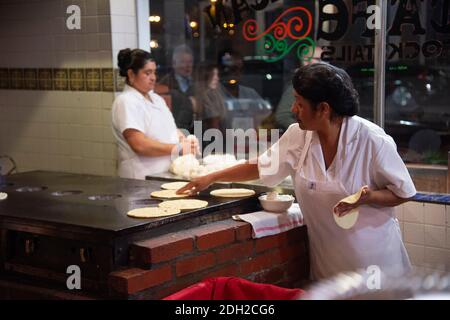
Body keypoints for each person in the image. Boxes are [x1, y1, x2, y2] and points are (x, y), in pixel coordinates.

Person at [178, 62, 416, 280]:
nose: (293, 109)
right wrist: (211, 177)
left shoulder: (372, 140)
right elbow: (260, 166)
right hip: (328, 263)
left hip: (375, 264)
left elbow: (404, 192)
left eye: (300, 103)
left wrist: (370, 197)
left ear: (323, 109)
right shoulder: (298, 135)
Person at [112, 48, 198, 180]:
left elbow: (171, 130)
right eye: (147, 73)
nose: (153, 78)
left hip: (163, 176)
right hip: (139, 180)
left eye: (154, 72)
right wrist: (178, 148)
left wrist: (185, 141)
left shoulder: (157, 99)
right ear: (131, 74)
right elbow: (139, 145)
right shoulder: (126, 101)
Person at [275, 46, 323, 132]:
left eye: (325, 59)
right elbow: (282, 116)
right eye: (318, 59)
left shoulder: (319, 83)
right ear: (305, 61)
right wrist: (306, 131)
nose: (323, 63)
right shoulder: (300, 84)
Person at [159, 44, 196, 132]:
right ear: (174, 63)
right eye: (183, 62)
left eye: (190, 62)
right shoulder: (165, 84)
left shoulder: (197, 81)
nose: (188, 65)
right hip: (175, 129)